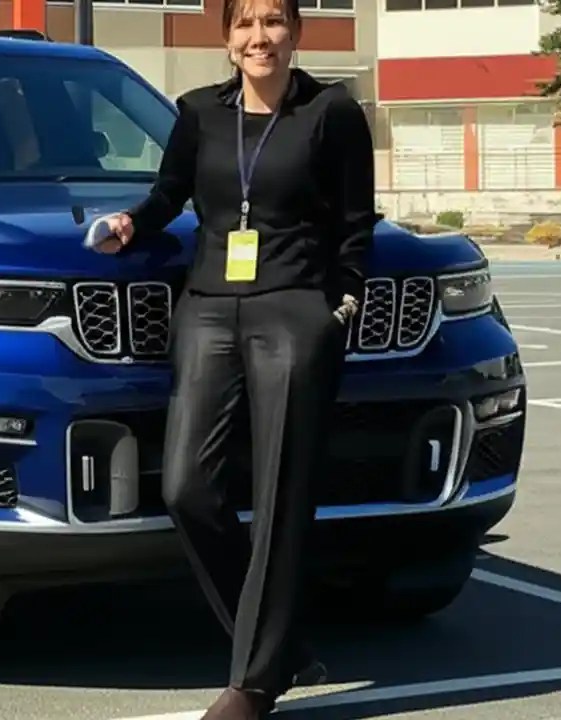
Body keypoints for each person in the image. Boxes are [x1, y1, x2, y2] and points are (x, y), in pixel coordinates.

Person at [100, 0, 379, 715]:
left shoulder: (332, 114)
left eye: (274, 22)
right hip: (209, 305)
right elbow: (171, 192)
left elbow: (355, 226)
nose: (260, 37)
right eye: (246, 23)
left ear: (296, 34)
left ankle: (253, 684)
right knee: (187, 488)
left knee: (284, 496)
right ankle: (278, 642)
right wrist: (132, 222)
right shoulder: (198, 113)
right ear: (226, 39)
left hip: (294, 308)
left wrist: (339, 307)